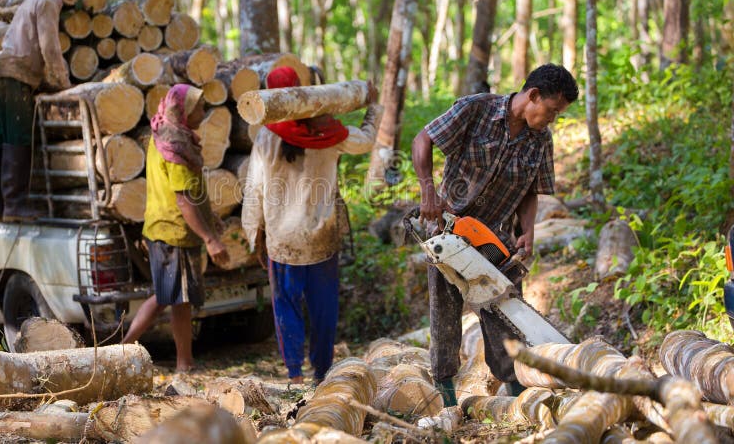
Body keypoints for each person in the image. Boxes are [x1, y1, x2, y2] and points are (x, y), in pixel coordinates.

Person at [412, 64, 578, 405]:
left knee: (505, 315)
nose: (552, 119)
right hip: (450, 230)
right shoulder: (477, 109)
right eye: (551, 111)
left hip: (496, 239)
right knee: (445, 315)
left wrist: (527, 231)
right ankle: (447, 400)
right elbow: (423, 138)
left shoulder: (541, 140)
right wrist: (428, 190)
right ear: (533, 95)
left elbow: (532, 191)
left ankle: (515, 395)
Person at [242, 67, 382, 385]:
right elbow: (367, 141)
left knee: (286, 305)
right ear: (301, 91)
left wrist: (255, 233)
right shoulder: (328, 132)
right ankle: (321, 372)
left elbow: (255, 188)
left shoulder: (265, 136)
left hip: (282, 237)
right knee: (324, 306)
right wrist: (373, 106)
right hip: (321, 235)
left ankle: (294, 373)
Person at [122, 84, 230, 372]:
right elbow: (183, 200)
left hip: (165, 228)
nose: (204, 113)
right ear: (182, 111)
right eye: (199, 108)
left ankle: (173, 360)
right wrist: (210, 238)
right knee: (173, 298)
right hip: (174, 230)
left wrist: (210, 218)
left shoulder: (165, 134)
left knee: (171, 296)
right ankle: (173, 361)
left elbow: (192, 192)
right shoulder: (176, 146)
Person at [0, 0, 84, 222]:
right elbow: (49, 46)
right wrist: (63, 84)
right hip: (15, 75)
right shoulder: (49, 0)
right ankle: (15, 206)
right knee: (18, 138)